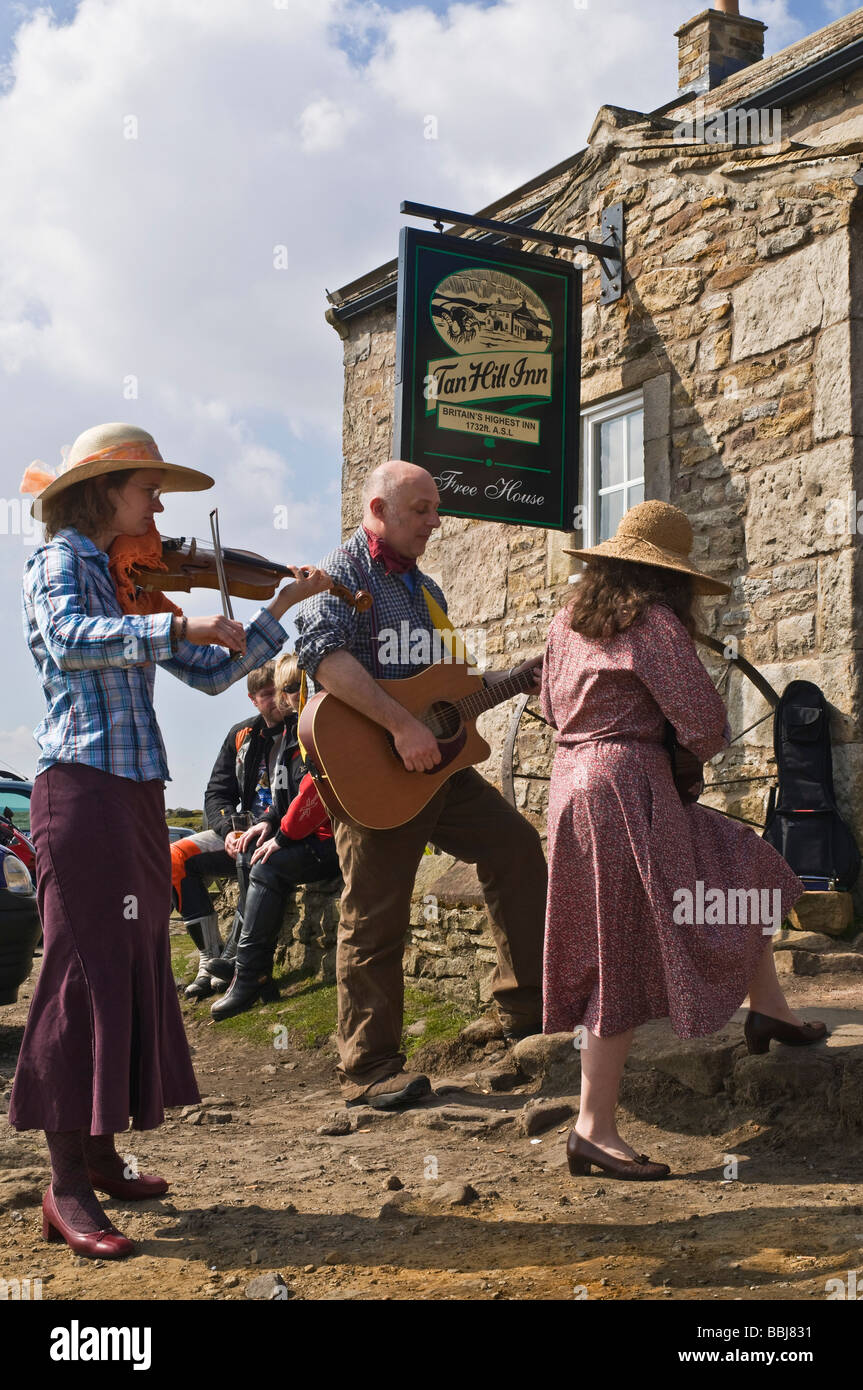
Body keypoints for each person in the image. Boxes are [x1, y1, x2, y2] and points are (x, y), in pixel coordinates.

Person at [9, 421, 329, 1259]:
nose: (159, 506)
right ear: (102, 493)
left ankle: (105, 1154)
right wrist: (175, 629)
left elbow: (213, 672)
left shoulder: (130, 576)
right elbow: (73, 645)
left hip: (137, 795)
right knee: (82, 976)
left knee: (136, 964)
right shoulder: (59, 564)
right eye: (148, 488)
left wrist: (279, 610)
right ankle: (65, 1185)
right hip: (77, 790)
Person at [541, 500, 824, 1182]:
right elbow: (706, 724)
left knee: (743, 860)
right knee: (621, 951)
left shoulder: (566, 623)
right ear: (669, 578)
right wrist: (668, 741)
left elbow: (552, 707)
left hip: (571, 787)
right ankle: (592, 1129)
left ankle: (770, 1010)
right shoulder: (654, 623)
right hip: (625, 789)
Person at [293, 458, 548, 1110]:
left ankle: (525, 1013)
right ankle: (368, 1070)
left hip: (440, 775)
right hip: (372, 775)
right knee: (374, 918)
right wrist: (401, 726)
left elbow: (444, 692)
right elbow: (323, 658)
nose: (436, 522)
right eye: (421, 510)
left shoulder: (426, 589)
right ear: (377, 510)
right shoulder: (341, 572)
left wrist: (513, 679)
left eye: (436, 509)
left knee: (516, 848)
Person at [210, 651, 341, 1019]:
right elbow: (287, 793)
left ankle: (248, 975)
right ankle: (249, 970)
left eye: (290, 688)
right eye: (285, 689)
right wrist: (268, 821)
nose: (285, 696)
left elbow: (314, 793)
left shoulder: (314, 725)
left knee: (269, 866)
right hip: (309, 836)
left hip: (334, 840)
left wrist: (282, 838)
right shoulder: (290, 730)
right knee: (257, 854)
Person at [170, 660, 287, 999]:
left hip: (281, 831)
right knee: (175, 857)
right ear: (252, 699)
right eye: (267, 694)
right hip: (241, 831)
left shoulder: (302, 728)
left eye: (281, 692)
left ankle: (234, 962)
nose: (277, 700)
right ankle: (210, 958)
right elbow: (217, 792)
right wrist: (228, 829)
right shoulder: (241, 735)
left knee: (250, 856)